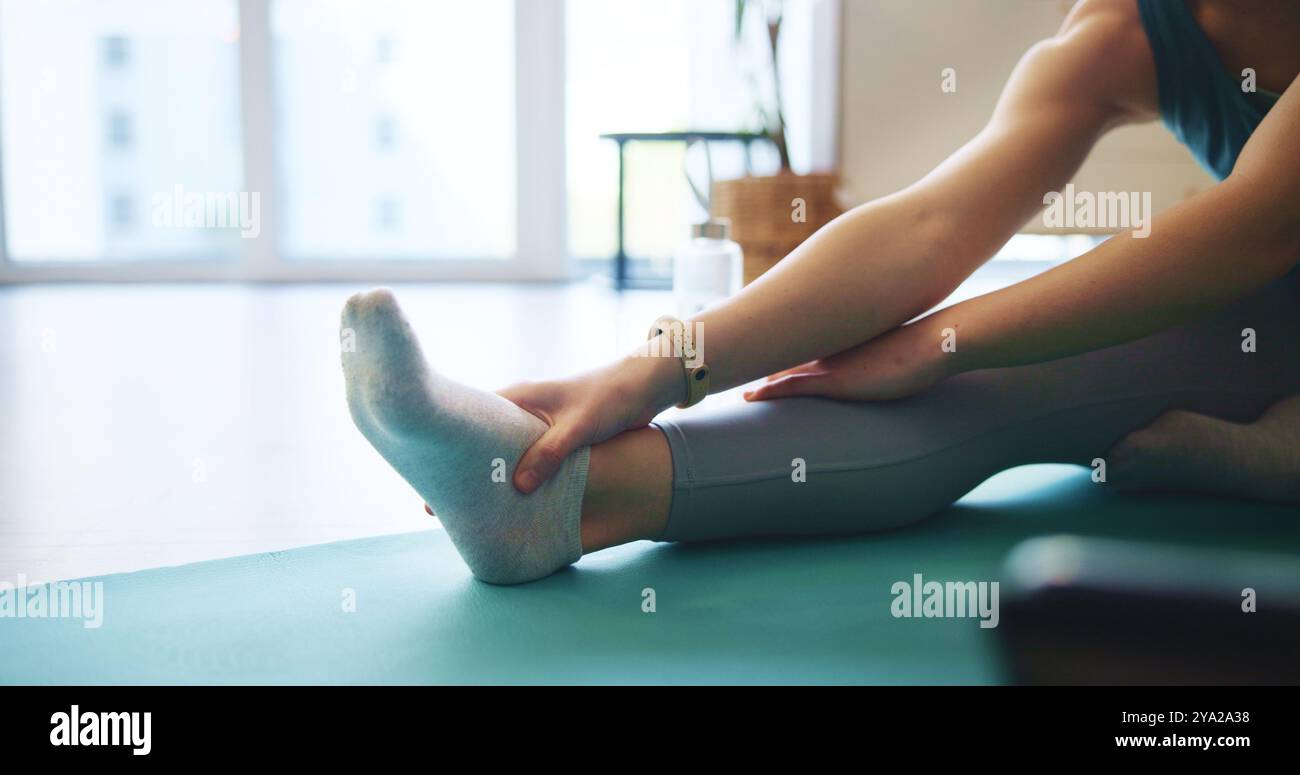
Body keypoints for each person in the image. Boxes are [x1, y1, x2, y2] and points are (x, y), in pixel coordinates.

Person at [341, 0, 1299, 584]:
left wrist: (935, 345)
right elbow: (926, 227)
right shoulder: (1124, 28)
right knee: (957, 372)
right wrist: (658, 368)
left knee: (998, 380)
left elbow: (1256, 228)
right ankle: (552, 502)